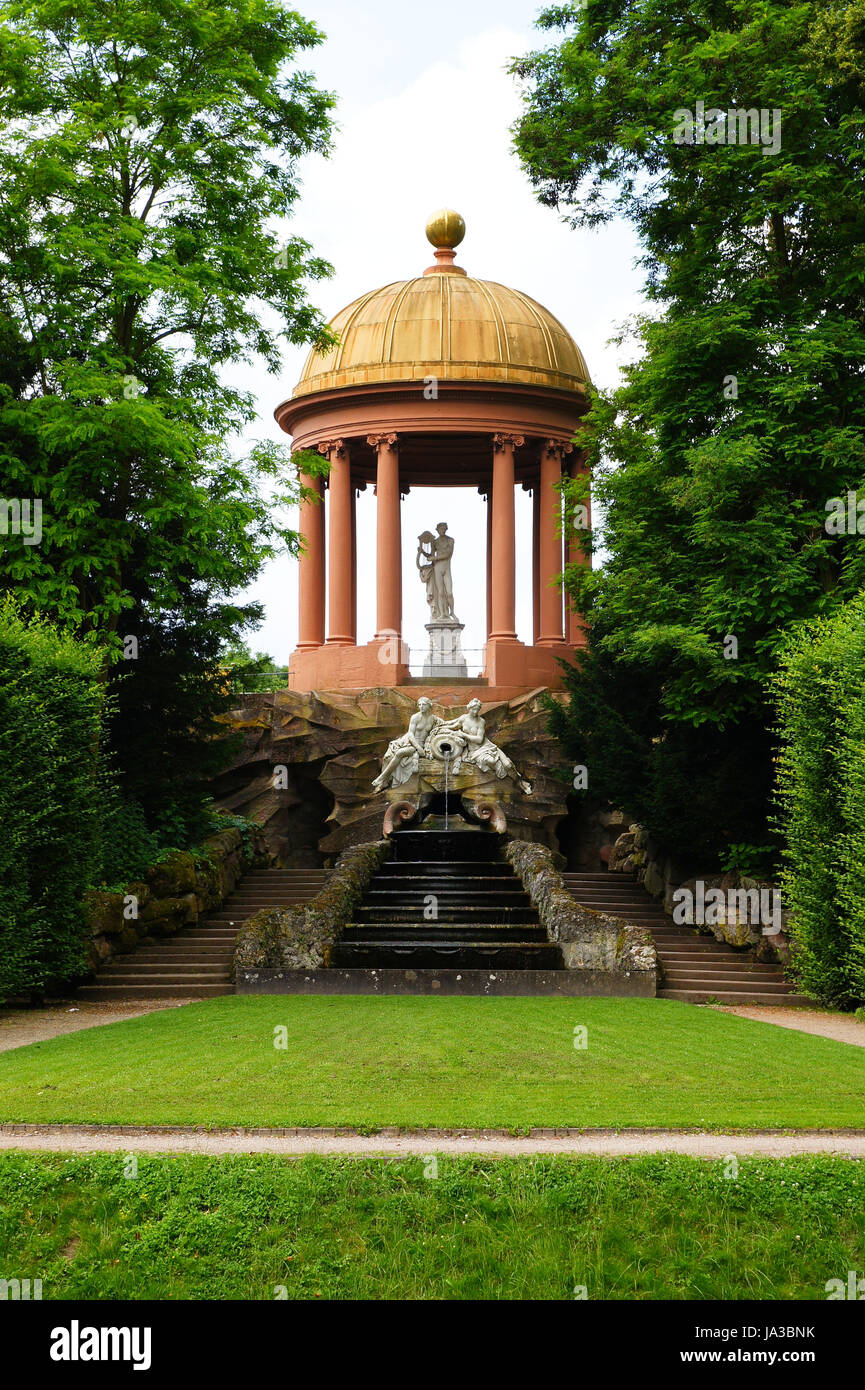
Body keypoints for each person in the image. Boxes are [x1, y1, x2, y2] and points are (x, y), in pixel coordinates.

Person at [440, 698, 532, 793]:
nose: (475, 711)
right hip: (475, 751)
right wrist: (440, 726)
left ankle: (520, 782)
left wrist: (464, 735)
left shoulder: (481, 721)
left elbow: (479, 740)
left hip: (487, 746)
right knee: (491, 760)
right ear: (469, 708)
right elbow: (452, 725)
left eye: (478, 709)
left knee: (508, 765)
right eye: (473, 709)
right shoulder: (463, 718)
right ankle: (515, 782)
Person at [372, 697, 440, 791]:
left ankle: (383, 778)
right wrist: (418, 748)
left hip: (423, 745)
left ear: (429, 706)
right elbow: (411, 734)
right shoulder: (415, 717)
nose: (421, 707)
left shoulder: (433, 719)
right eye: (419, 705)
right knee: (398, 753)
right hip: (411, 742)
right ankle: (382, 778)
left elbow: (445, 725)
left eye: (423, 705)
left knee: (399, 753)